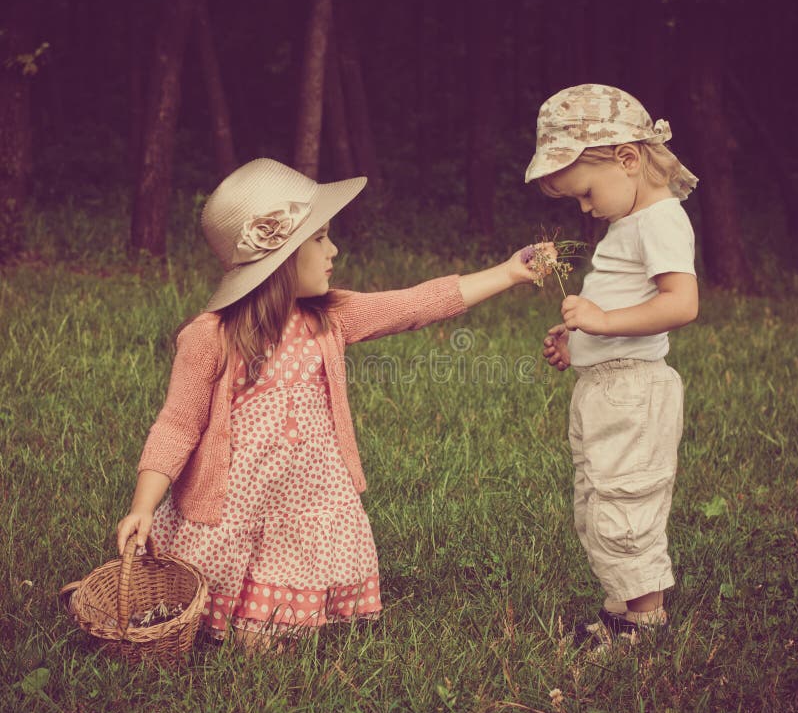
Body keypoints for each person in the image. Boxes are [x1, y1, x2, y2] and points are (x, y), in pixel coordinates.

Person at [116, 158, 555, 652]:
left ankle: (269, 615)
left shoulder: (329, 317)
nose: (334, 251)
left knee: (264, 639)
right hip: (237, 503)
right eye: (320, 239)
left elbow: (414, 304)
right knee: (215, 615)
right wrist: (142, 507)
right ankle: (222, 612)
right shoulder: (210, 336)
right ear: (281, 256)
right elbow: (177, 425)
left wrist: (508, 273)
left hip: (307, 496)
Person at [531, 84, 699, 649]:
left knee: (627, 500)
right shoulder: (631, 223)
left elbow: (681, 304)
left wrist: (601, 321)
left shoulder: (661, 220)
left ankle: (644, 623)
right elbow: (623, 306)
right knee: (600, 500)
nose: (585, 208)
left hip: (634, 391)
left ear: (627, 159)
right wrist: (578, 340)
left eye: (584, 192)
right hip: (607, 388)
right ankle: (621, 609)